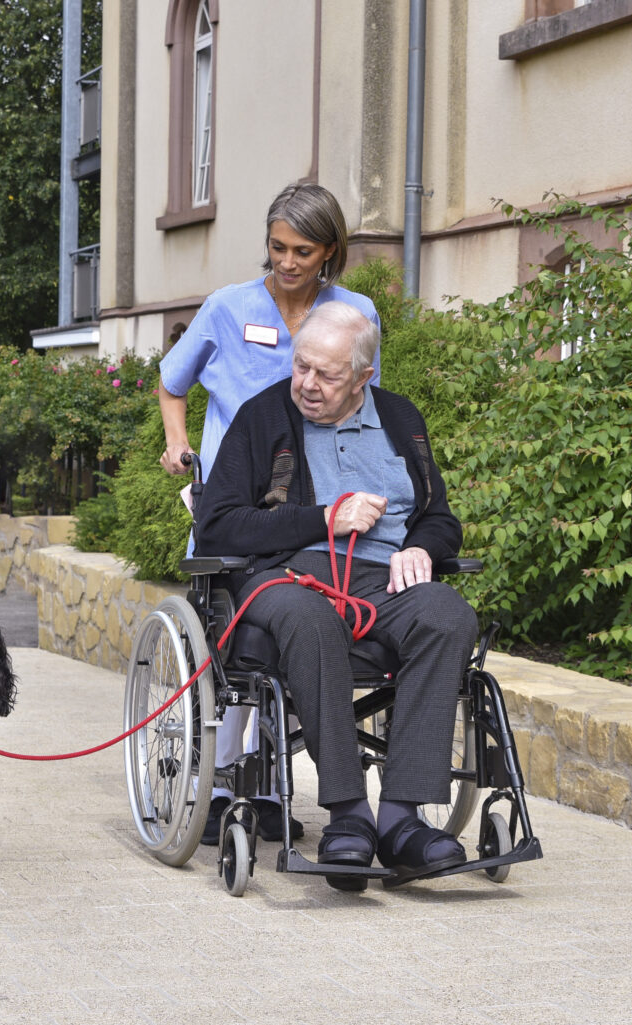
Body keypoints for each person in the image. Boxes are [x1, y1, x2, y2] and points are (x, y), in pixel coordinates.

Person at [194, 300, 476, 888]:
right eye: (301, 367)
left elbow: (439, 517)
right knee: (309, 618)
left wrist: (421, 545)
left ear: (364, 378)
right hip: (287, 577)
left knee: (448, 615)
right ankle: (348, 814)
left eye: (327, 375)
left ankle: (401, 820)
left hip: (384, 579)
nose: (307, 385)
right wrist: (324, 519)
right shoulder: (263, 416)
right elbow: (218, 524)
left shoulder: (401, 418)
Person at [157, 181, 381, 844]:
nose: (286, 261)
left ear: (330, 251)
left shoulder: (355, 312)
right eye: (277, 247)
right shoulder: (229, 308)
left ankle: (274, 777)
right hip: (238, 505)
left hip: (316, 507)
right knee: (243, 640)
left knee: (306, 626)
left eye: (302, 250)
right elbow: (173, 383)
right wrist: (178, 443)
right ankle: (227, 779)